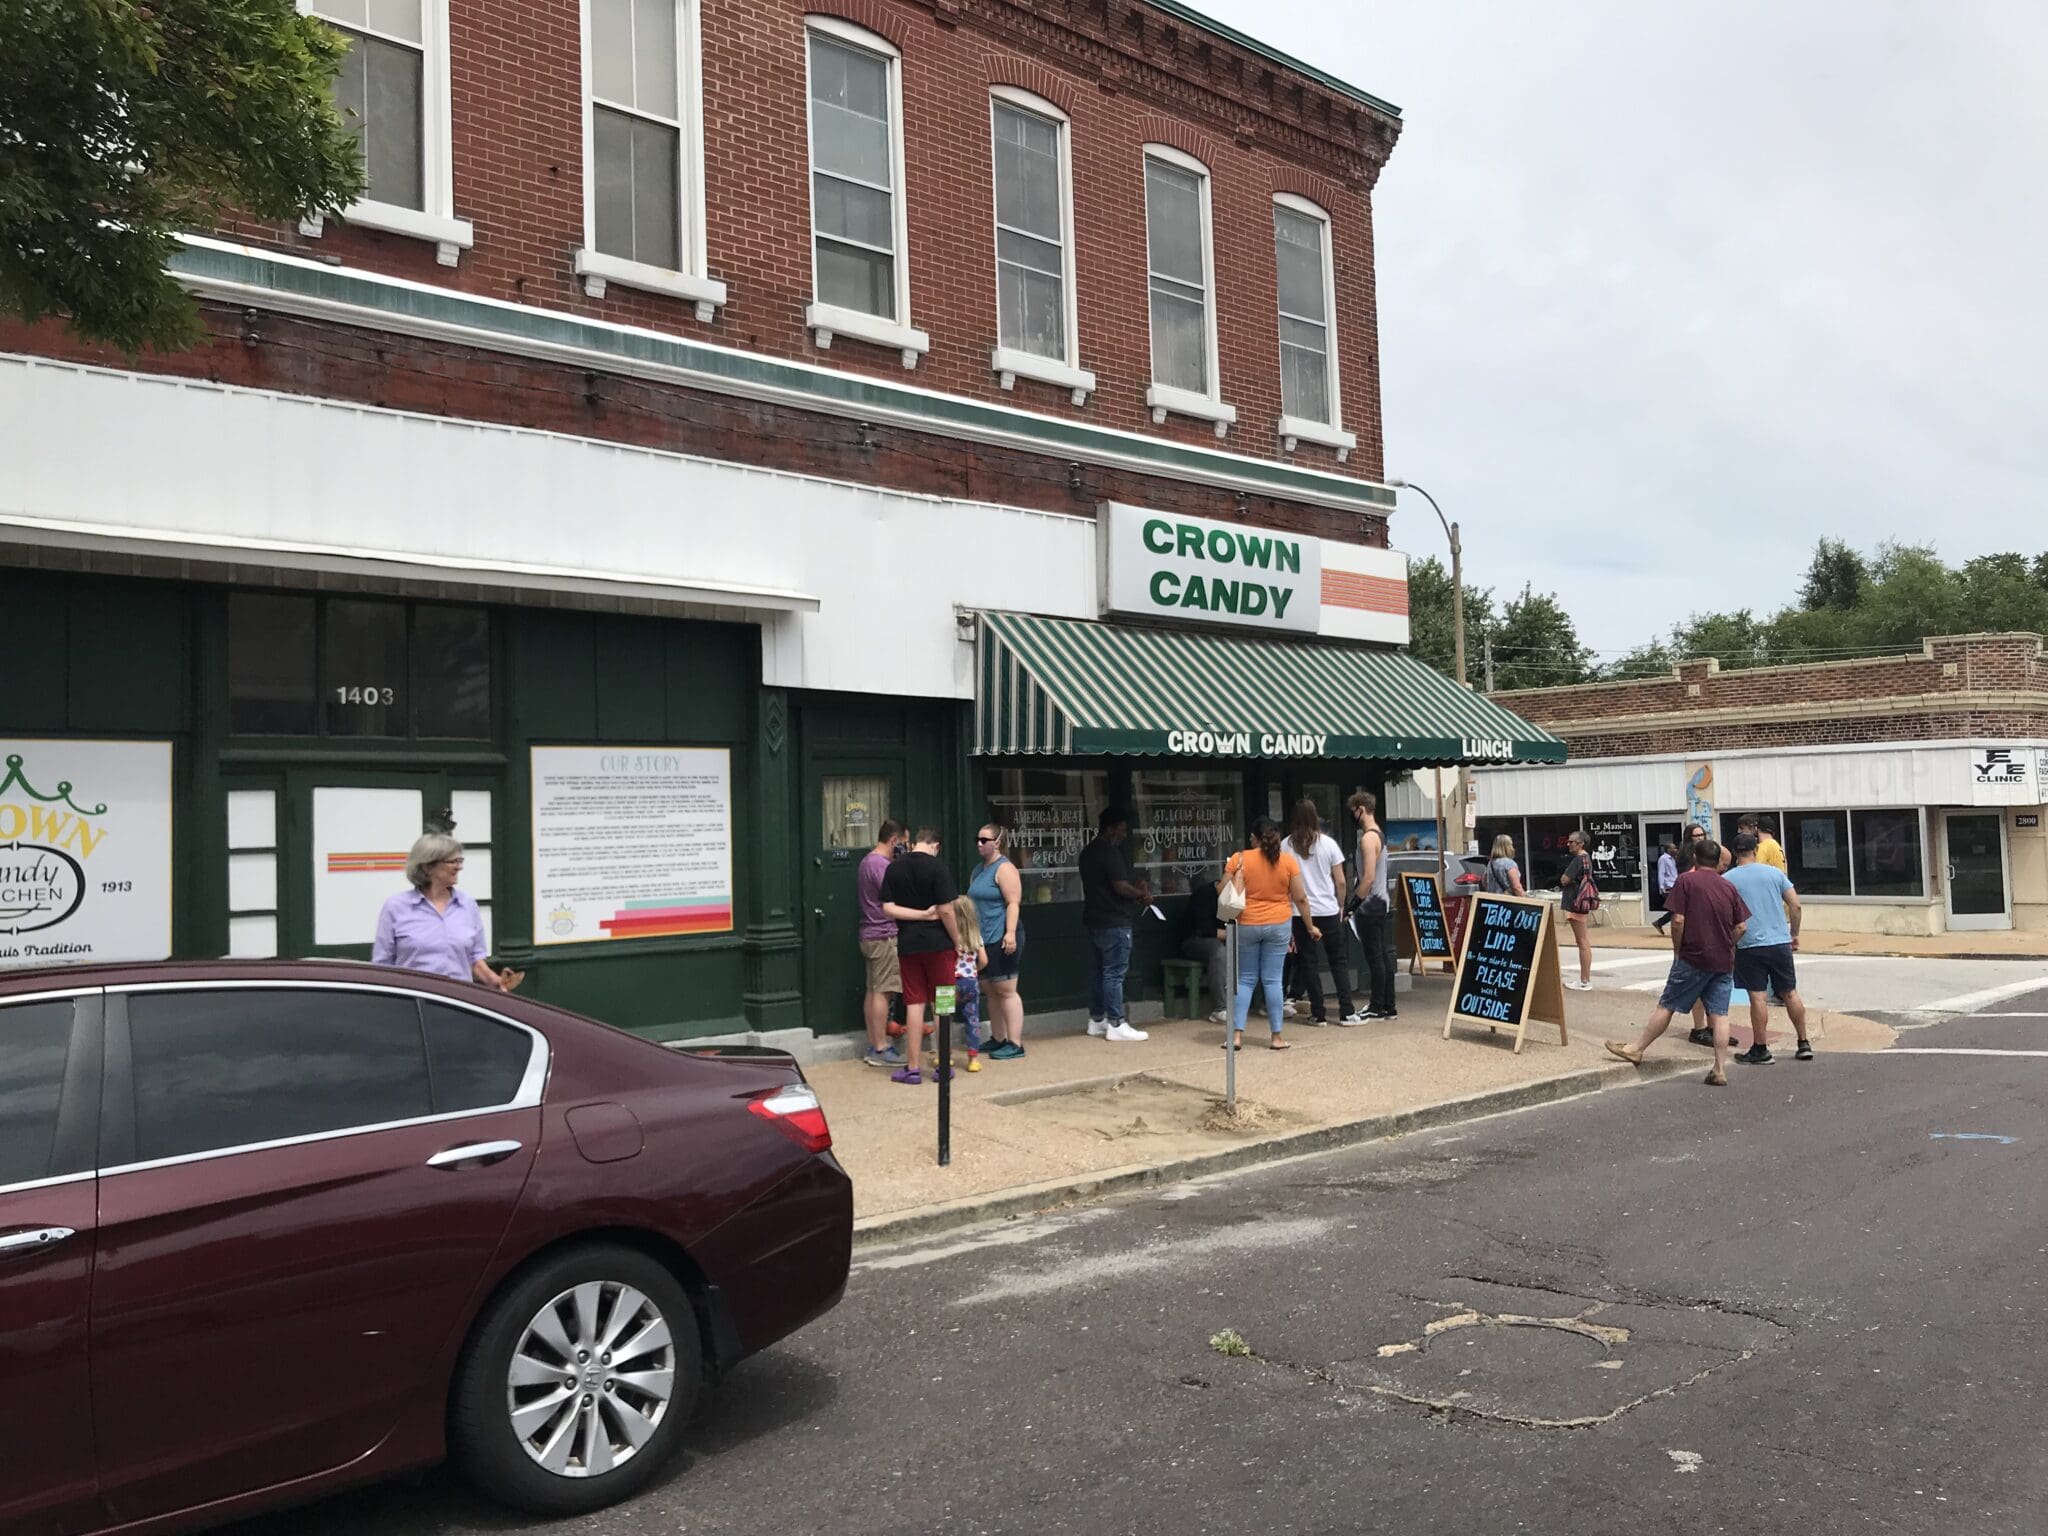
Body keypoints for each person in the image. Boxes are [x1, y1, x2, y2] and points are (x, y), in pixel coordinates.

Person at [1607, 837, 1750, 1085]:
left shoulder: (1686, 881)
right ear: (1718, 862)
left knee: (1668, 1004)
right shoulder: (1728, 887)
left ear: (1695, 857)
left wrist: (1678, 948)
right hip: (1723, 959)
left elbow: (1678, 920)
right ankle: (1719, 1068)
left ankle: (1637, 1048)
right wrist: (1728, 942)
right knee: (1719, 1014)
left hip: (1693, 956)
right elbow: (1741, 926)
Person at [374, 833, 518, 990]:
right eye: (453, 861)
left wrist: (497, 981)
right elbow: (382, 966)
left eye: (460, 860)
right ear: (427, 866)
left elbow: (475, 960)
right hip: (415, 1006)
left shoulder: (467, 905)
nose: (459, 866)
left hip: (459, 1004)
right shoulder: (396, 907)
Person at [1224, 818, 1319, 1051]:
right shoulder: (1287, 862)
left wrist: (1234, 875)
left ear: (1255, 838)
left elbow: (1221, 891)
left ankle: (1236, 1035)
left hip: (1247, 922)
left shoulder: (1239, 859)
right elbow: (1300, 898)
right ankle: (1276, 1037)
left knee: (1245, 979)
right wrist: (1310, 926)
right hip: (1279, 924)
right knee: (1273, 980)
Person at [878, 826, 962, 1085]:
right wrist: (957, 941)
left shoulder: (894, 868)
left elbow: (887, 908)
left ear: (914, 843)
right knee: (943, 1002)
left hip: (909, 944)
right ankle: (944, 1065)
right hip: (939, 944)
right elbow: (946, 910)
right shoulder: (938, 868)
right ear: (936, 845)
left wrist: (917, 916)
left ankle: (912, 1067)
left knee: (914, 1003)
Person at [1724, 833, 1812, 1064]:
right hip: (1779, 941)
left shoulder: (1728, 879)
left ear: (1735, 852)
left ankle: (1761, 1048)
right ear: (1755, 850)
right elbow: (1796, 904)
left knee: (1758, 997)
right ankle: (1803, 1042)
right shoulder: (1774, 873)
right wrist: (1794, 933)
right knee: (1790, 992)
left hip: (1749, 944)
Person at [1078, 808, 1151, 1042]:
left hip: (1094, 918)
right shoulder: (1109, 852)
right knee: (1114, 974)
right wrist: (1140, 893)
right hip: (1114, 921)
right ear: (1110, 828)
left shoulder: (1088, 852)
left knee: (1099, 971)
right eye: (1121, 829)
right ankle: (1116, 1022)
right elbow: (1120, 886)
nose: (1123, 835)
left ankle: (1097, 1019)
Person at [1287, 800, 1361, 1026]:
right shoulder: (1328, 844)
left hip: (1300, 912)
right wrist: (1341, 906)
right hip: (1328, 910)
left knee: (1307, 962)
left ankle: (1318, 1013)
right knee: (1337, 960)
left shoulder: (1286, 846)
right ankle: (1346, 1011)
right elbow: (1340, 881)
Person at [969, 824, 1028, 1059]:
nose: (980, 843)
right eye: (978, 839)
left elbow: (1013, 902)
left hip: (1002, 935)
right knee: (990, 990)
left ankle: (1015, 1043)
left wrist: (1010, 932)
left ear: (998, 842)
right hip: (982, 939)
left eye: (985, 840)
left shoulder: (1005, 869)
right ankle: (998, 1037)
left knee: (1006, 989)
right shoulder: (977, 870)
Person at [858, 820, 908, 1069]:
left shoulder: (867, 861)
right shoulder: (881, 865)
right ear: (894, 841)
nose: (905, 848)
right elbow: (896, 895)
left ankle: (874, 1042)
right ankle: (881, 1046)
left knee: (873, 989)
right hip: (883, 934)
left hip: (869, 933)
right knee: (883, 991)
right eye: (904, 843)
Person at [1347, 790, 1398, 1020]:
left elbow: (1367, 877)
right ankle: (1389, 1005)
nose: (1353, 816)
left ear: (1361, 809)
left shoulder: (1368, 839)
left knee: (1374, 956)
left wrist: (1353, 904)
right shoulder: (1381, 835)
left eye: (1353, 811)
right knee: (1384, 955)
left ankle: (1377, 1005)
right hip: (1382, 902)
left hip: (1370, 905)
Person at [1175, 872, 1231, 1024]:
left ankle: (1262, 1002)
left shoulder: (1236, 896)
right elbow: (1207, 930)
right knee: (1218, 951)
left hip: (1224, 938)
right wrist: (1235, 933)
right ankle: (1220, 1008)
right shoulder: (1204, 895)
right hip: (1194, 941)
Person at [946, 895, 988, 1072]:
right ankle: (973, 1059)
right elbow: (984, 960)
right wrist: (974, 971)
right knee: (972, 1020)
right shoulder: (975, 936)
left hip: (949, 982)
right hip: (970, 982)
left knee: (944, 1019)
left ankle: (945, 1057)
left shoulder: (948, 937)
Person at [1557, 829, 1596, 991]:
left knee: (1582, 941)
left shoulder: (1578, 860)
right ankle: (1584, 979)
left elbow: (1565, 879)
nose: (1568, 844)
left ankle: (1585, 980)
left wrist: (1564, 879)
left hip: (1575, 902)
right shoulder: (1587, 858)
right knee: (1583, 941)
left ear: (1580, 843)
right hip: (1582, 902)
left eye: (1571, 842)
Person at [1650, 839, 1680, 932]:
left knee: (1677, 908)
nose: (1676, 849)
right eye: (1674, 848)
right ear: (1668, 849)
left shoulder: (1674, 859)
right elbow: (1661, 873)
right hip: (1668, 887)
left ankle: (1659, 922)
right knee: (1677, 908)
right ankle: (1660, 922)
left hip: (1674, 885)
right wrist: (1661, 888)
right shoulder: (1663, 859)